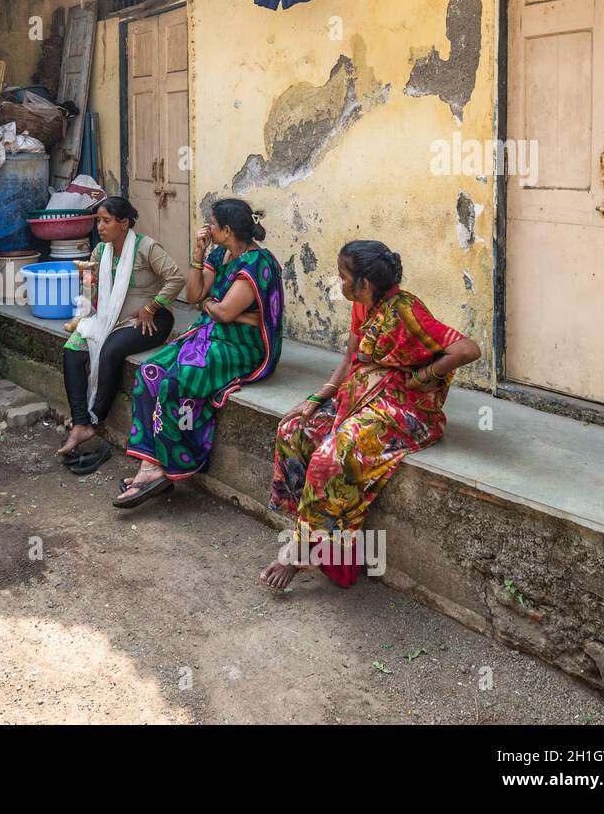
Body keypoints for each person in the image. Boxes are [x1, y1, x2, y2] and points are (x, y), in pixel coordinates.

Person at [261, 241, 481, 589]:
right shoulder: (363, 305)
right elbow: (350, 359)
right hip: (359, 395)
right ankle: (319, 537)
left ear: (364, 283)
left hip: (403, 411)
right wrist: (317, 398)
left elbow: (467, 349)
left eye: (343, 277)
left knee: (329, 459)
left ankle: (302, 548)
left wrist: (424, 377)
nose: (339, 283)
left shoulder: (407, 312)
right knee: (293, 429)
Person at [116, 198, 284, 508]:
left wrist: (213, 308)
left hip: (241, 345)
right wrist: (198, 255)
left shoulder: (257, 263)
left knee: (175, 383)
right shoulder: (220, 253)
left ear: (227, 229)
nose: (207, 226)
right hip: (209, 334)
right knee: (148, 373)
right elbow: (194, 294)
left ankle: (169, 464)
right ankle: (151, 465)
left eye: (213, 223)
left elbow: (220, 312)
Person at [57, 196, 184, 474]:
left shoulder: (146, 247)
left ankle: (94, 420)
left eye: (106, 221)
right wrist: (86, 290)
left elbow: (176, 278)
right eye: (98, 221)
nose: (100, 227)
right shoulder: (100, 252)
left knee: (111, 350)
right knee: (72, 349)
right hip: (108, 318)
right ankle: (80, 424)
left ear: (124, 223)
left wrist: (151, 307)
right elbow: (91, 293)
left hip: (150, 319)